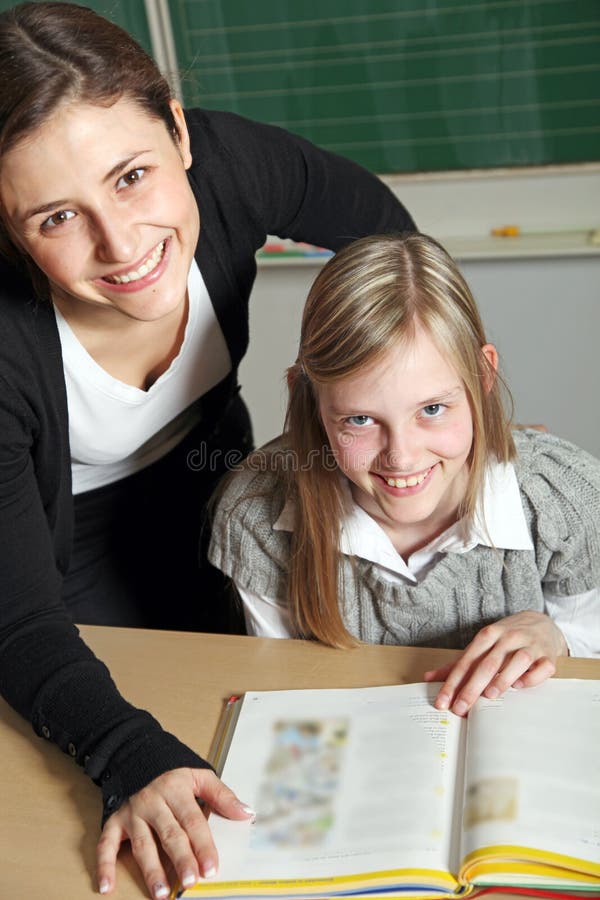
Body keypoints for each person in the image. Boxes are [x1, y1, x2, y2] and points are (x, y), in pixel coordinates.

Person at [0, 3, 417, 898]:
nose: (121, 247)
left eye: (133, 175)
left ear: (181, 133)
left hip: (221, 480)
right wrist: (128, 754)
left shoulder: (234, 165)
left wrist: (413, 402)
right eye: (55, 218)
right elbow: (18, 621)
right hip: (64, 539)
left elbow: (390, 238)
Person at [210, 232, 600, 713]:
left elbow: (590, 650)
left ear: (482, 378)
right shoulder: (259, 516)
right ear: (309, 401)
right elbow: (284, 691)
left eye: (433, 408)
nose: (401, 456)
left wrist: (555, 635)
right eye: (359, 419)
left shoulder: (564, 500)